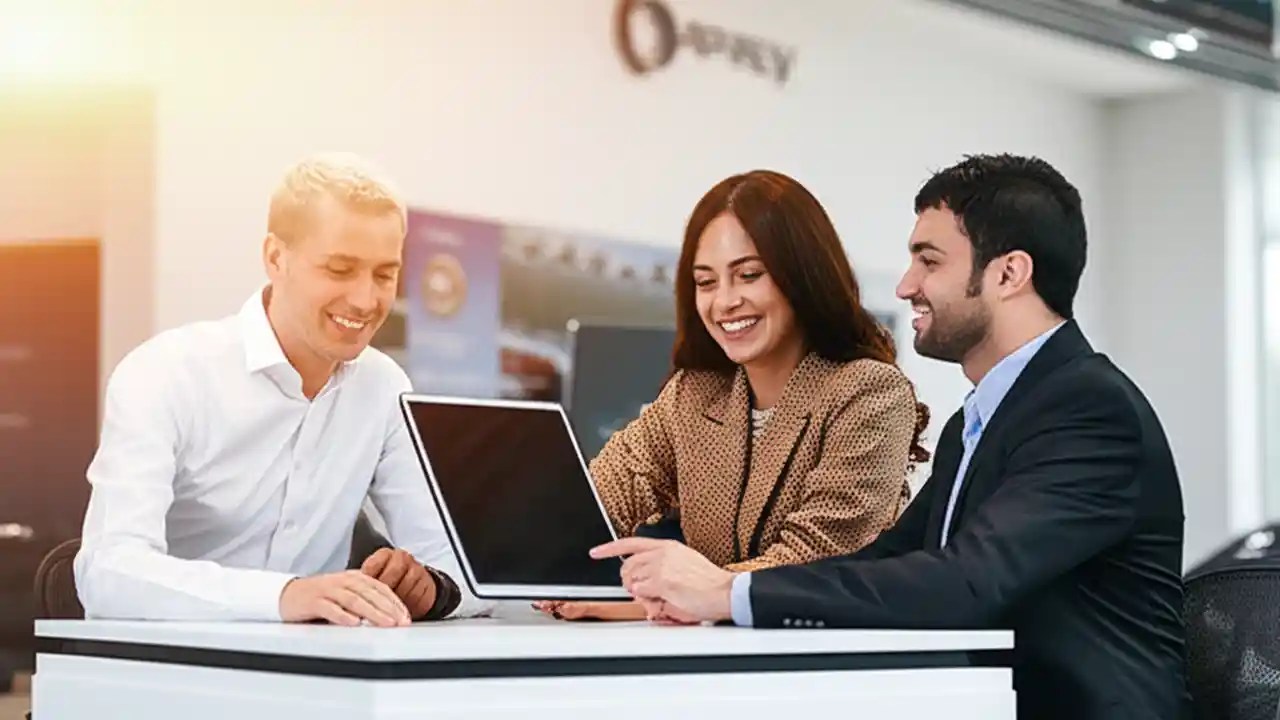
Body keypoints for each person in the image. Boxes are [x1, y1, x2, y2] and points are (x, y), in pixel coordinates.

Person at [592, 154, 1189, 718]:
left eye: (929, 262)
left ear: (1009, 273)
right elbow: (888, 559)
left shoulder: (1089, 408)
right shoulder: (981, 420)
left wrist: (727, 592)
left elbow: (965, 581)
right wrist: (721, 591)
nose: (905, 286)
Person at [74, 152, 491, 626]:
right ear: (276, 257)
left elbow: (470, 574)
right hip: (169, 673)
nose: (365, 299)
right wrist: (284, 597)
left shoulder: (384, 387)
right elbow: (108, 572)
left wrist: (433, 589)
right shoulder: (166, 373)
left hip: (315, 675)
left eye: (384, 274)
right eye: (339, 269)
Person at [537, 169, 930, 622]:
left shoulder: (868, 392)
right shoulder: (694, 394)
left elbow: (818, 562)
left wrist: (637, 603)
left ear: (802, 275)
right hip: (709, 667)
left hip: (819, 670)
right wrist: (541, 554)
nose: (724, 302)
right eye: (706, 282)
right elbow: (597, 503)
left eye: (748, 275)